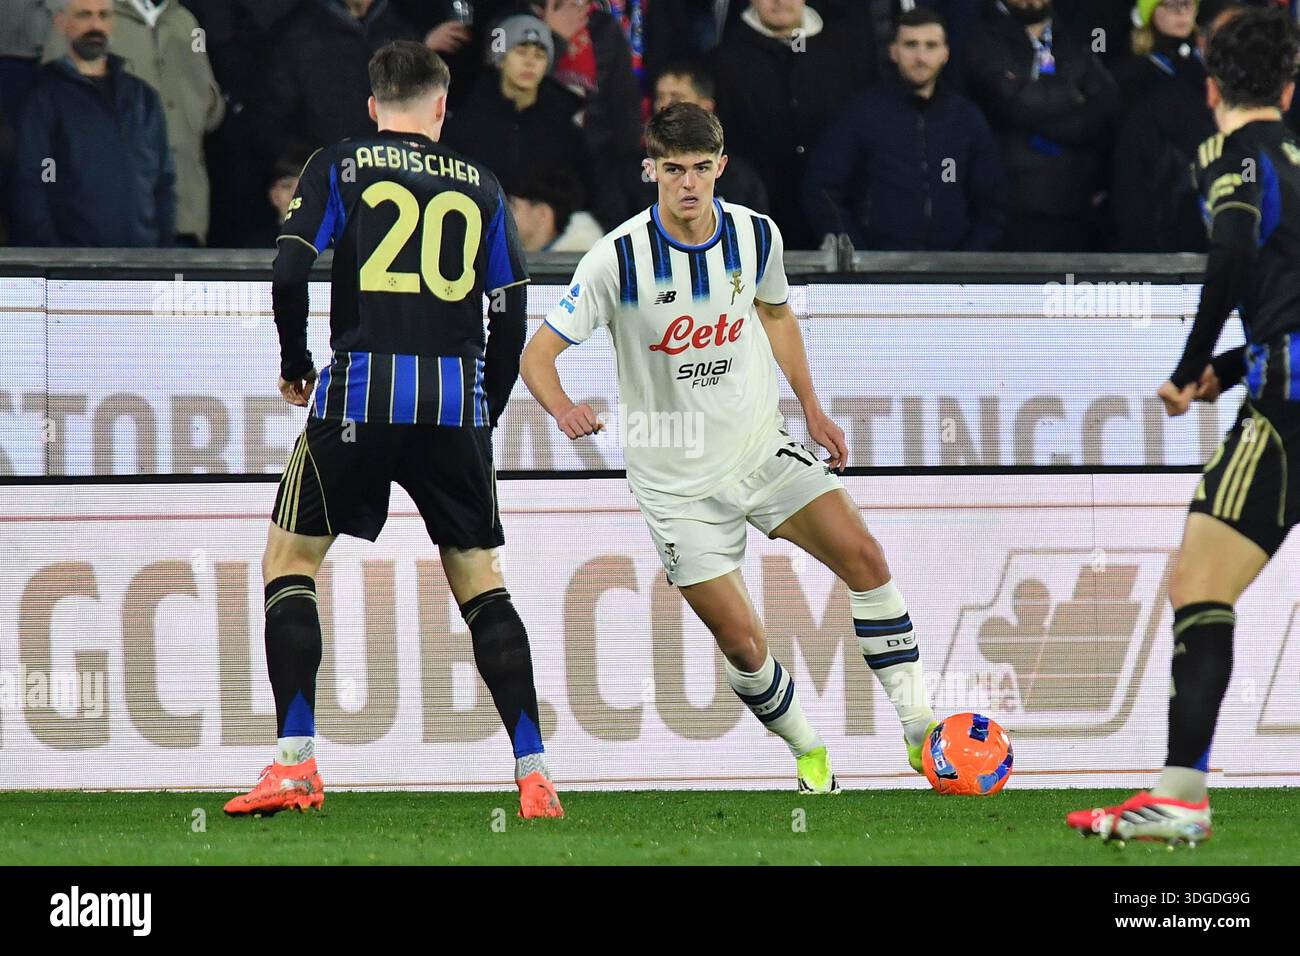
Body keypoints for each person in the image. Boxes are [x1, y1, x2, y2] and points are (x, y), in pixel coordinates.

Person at [520, 103, 938, 792]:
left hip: (760, 451)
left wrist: (811, 406)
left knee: (865, 556)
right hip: (676, 486)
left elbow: (774, 314)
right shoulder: (614, 258)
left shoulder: (755, 236)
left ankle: (920, 728)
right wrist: (563, 408)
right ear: (651, 169)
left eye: (702, 169)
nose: (688, 184)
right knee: (744, 644)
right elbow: (537, 357)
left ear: (722, 166)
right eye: (674, 169)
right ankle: (809, 753)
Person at [224, 40, 563, 820]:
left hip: (359, 402)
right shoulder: (481, 185)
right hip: (454, 408)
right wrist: (488, 408)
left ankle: (297, 766)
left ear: (373, 107)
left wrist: (297, 360)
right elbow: (511, 309)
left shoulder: (340, 163)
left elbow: (288, 266)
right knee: (481, 580)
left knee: (290, 561)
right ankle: (534, 773)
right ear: (441, 108)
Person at [1067, 6, 1300, 845]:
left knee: (1199, 589)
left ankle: (1180, 796)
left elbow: (1232, 256)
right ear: (1287, 84)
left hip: (1288, 412)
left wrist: (1185, 367)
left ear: (1209, 89)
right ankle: (1177, 794)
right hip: (1276, 380)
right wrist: (1226, 369)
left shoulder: (1231, 156)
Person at [803, 6, 1006, 250]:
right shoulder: (862, 113)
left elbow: (994, 200)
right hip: (877, 273)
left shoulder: (966, 119)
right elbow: (823, 188)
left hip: (954, 272)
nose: (921, 57)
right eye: (911, 45)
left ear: (946, 53)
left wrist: (971, 257)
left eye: (931, 46)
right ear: (893, 51)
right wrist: (857, 253)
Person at [42, 0, 224, 245]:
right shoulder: (87, 14)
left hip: (185, 207)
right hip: (103, 217)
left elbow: (210, 106)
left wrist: (200, 105)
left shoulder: (184, 21)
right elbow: (50, 105)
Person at [10, 0, 174, 247]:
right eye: (84, 15)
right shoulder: (43, 97)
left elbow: (163, 182)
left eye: (104, 15)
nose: (95, 25)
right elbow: (32, 182)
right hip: (75, 267)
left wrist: (164, 253)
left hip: (143, 263)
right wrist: (52, 257)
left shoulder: (142, 97)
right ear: (61, 22)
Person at [965, 0, 1120, 252]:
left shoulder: (1073, 40)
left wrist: (1033, 115)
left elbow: (1105, 107)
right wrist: (1073, 96)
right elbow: (1009, 103)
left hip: (1076, 204)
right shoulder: (983, 40)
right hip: (1012, 204)